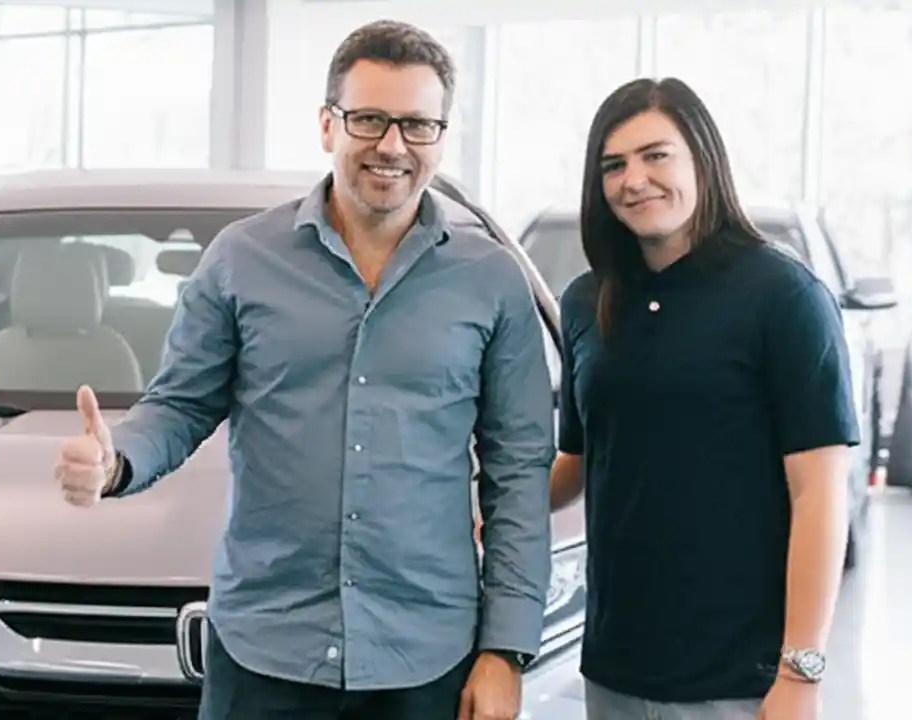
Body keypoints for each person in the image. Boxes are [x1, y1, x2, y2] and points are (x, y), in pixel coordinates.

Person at [55, 19, 554, 720]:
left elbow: (518, 471)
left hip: (426, 655)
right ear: (327, 126)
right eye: (370, 119)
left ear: (441, 137)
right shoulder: (240, 259)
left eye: (417, 125)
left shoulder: (491, 279)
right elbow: (180, 406)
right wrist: (117, 463)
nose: (391, 145)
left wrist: (505, 652)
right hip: (265, 647)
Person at [549, 77, 858, 720]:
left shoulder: (783, 297)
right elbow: (578, 461)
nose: (634, 180)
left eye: (655, 155)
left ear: (702, 159)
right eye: (613, 165)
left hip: (739, 682)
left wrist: (801, 673)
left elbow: (820, 492)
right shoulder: (586, 301)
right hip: (614, 669)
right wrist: (475, 508)